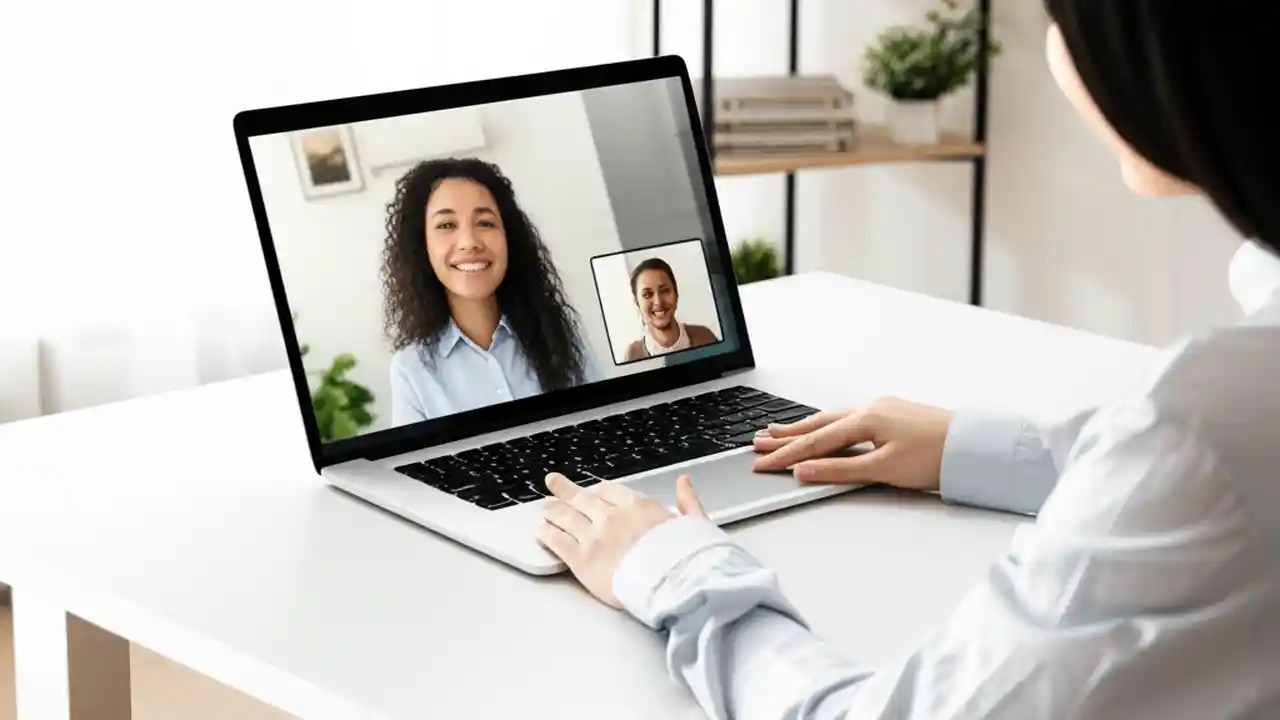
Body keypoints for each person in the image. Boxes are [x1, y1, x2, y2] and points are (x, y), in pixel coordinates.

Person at [535, 3, 1280, 718]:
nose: (1058, 54)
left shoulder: (1206, 427)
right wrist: (973, 447)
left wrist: (675, 568)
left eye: (1060, 18)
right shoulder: (1230, 408)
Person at [382, 157, 603, 424]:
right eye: (446, 225)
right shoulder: (412, 369)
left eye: (485, 223)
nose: (469, 242)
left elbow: (609, 428)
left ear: (509, 237)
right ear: (422, 246)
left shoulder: (559, 335)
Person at [623, 258, 720, 361]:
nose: (658, 302)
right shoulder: (632, 355)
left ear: (676, 293)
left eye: (665, 291)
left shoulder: (705, 337)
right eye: (647, 294)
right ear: (637, 302)